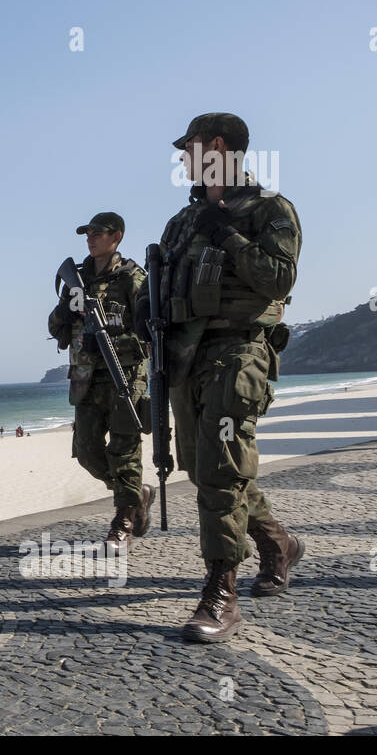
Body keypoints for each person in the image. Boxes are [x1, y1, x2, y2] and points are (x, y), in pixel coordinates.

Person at [141, 113, 304, 643]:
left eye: (187, 146)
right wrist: (147, 310)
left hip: (239, 351)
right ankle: (277, 543)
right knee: (212, 468)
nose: (182, 157)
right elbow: (161, 286)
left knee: (218, 471)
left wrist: (229, 234)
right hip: (185, 358)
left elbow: (277, 279)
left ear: (215, 145)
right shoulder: (182, 221)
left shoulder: (270, 210)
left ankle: (221, 594)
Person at [48, 213, 153, 553]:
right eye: (87, 234)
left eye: (97, 233)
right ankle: (136, 495)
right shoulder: (76, 279)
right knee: (87, 452)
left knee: (125, 453)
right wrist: (64, 312)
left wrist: (113, 342)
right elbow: (55, 328)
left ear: (116, 236)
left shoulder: (133, 278)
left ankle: (122, 522)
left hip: (124, 377)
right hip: (85, 379)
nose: (90, 239)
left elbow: (148, 334)